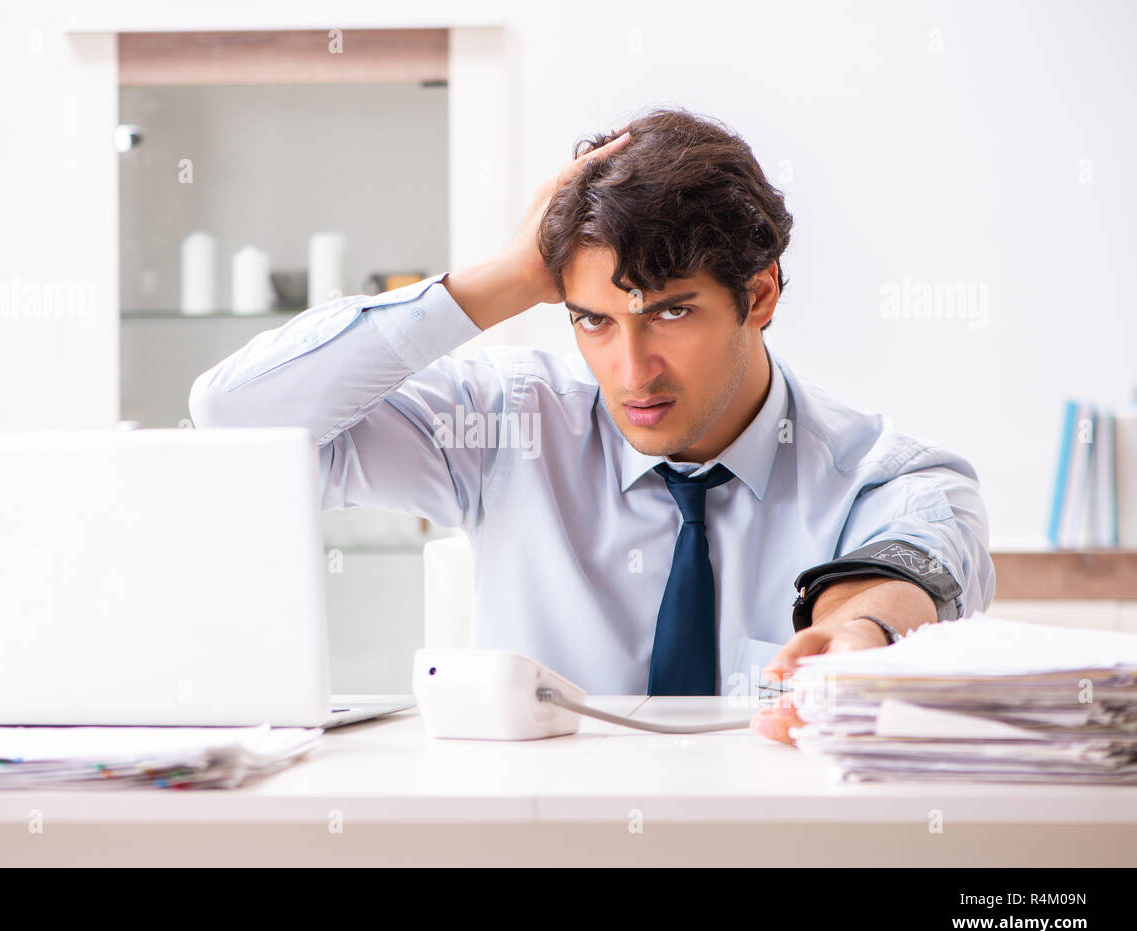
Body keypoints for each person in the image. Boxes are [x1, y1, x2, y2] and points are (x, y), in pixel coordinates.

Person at [189, 107, 995, 746]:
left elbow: (913, 565)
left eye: (671, 312)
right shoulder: (509, 425)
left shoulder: (886, 473)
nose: (631, 370)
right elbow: (236, 417)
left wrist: (857, 628)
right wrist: (504, 279)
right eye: (593, 320)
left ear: (759, 296)